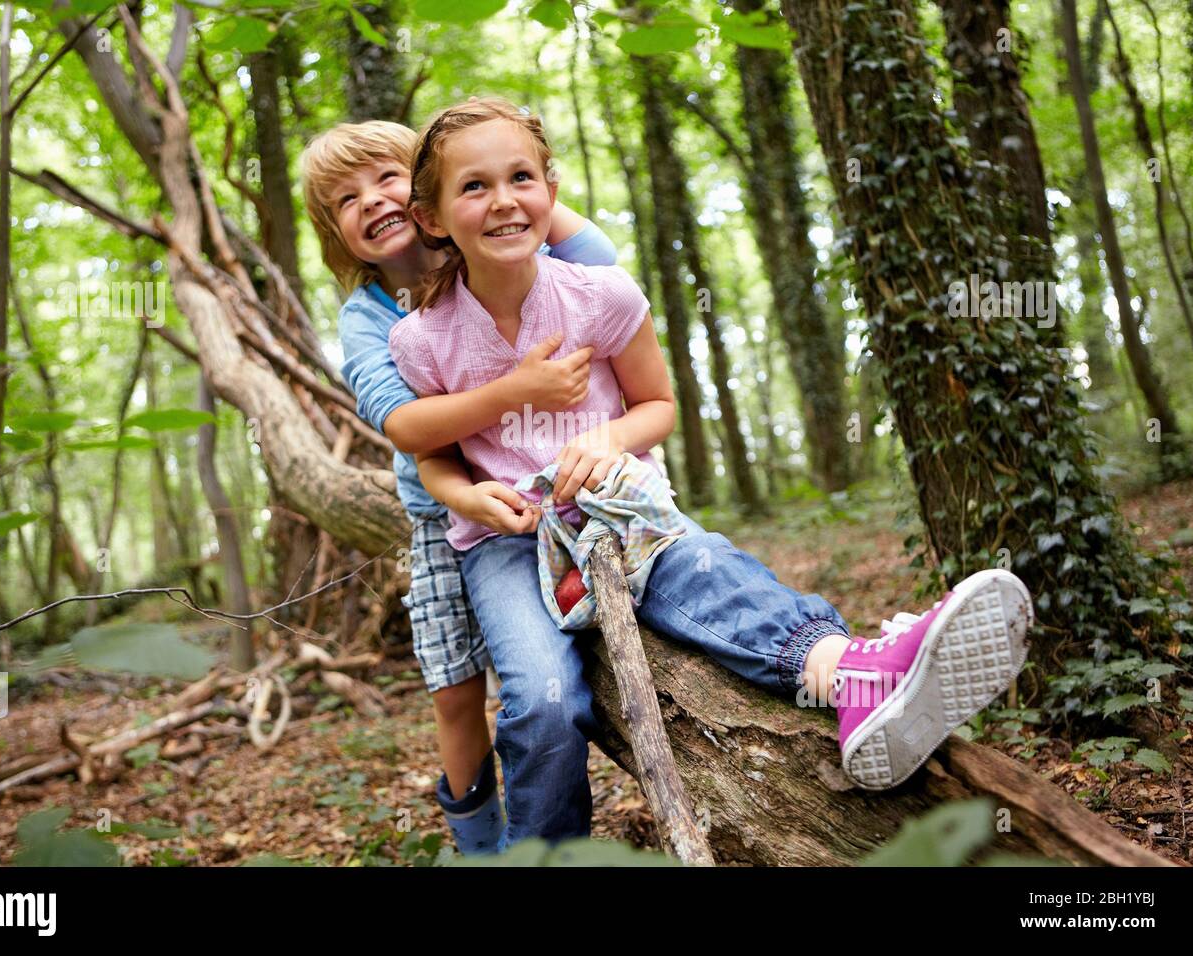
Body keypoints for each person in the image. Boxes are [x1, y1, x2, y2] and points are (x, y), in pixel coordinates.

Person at [387, 96, 1034, 849]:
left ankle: (849, 674)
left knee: (707, 569)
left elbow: (657, 403)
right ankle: (544, 857)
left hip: (619, 509)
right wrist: (470, 496)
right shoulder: (422, 339)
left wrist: (610, 441)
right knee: (543, 700)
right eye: (473, 186)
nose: (503, 200)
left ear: (551, 192)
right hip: (510, 542)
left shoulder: (602, 296)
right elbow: (430, 454)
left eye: (521, 176)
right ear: (432, 218)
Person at [300, 118, 617, 854]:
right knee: (456, 690)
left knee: (548, 667)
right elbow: (406, 424)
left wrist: (500, 173)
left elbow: (597, 256)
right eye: (346, 200)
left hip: (553, 489)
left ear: (426, 195)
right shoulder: (366, 317)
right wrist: (515, 391)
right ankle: (479, 844)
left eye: (388, 178)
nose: (373, 201)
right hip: (447, 515)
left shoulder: (488, 249)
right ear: (335, 235)